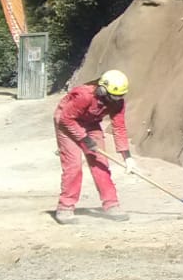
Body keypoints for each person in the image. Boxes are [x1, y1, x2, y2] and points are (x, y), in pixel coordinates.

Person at [52, 69, 133, 224]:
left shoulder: (118, 102)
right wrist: (84, 139)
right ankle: (65, 207)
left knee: (100, 162)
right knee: (73, 165)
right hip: (66, 122)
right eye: (114, 96)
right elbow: (66, 119)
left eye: (120, 97)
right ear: (103, 90)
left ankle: (111, 204)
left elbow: (119, 127)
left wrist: (127, 157)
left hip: (90, 123)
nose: (116, 100)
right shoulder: (84, 95)